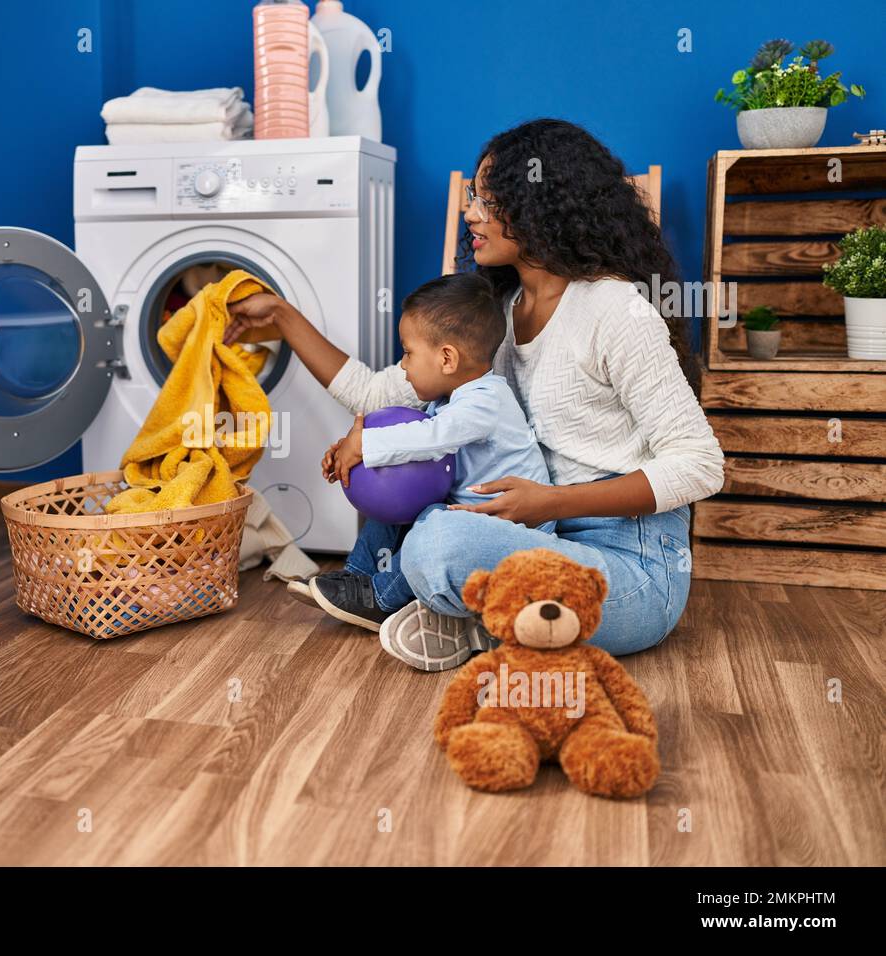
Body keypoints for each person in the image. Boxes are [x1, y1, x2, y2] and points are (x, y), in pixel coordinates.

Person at [224, 118, 724, 672]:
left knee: (441, 543)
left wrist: (553, 502)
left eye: (487, 199)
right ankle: (491, 625)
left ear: (541, 205)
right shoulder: (494, 317)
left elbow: (700, 466)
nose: (470, 213)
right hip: (527, 534)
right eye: (471, 198)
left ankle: (470, 620)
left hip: (630, 571)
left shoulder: (615, 310)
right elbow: (374, 392)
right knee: (420, 485)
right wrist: (283, 317)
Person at [302, 271, 553, 633]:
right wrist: (348, 451)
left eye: (407, 353)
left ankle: (380, 600)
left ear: (447, 359)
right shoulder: (449, 399)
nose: (403, 365)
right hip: (472, 516)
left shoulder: (486, 401)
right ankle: (353, 579)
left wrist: (366, 445)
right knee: (398, 510)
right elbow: (409, 443)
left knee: (432, 516)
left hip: (519, 530)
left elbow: (432, 437)